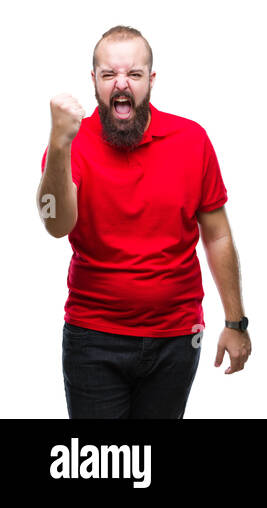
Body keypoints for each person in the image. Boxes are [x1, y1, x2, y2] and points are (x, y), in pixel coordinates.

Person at [37, 25, 252, 418]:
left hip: (175, 338)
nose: (122, 84)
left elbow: (217, 236)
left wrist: (235, 322)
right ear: (95, 81)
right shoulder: (72, 142)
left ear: (150, 80)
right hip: (93, 337)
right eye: (109, 75)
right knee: (104, 465)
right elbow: (55, 223)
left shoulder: (191, 140)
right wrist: (57, 143)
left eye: (133, 75)